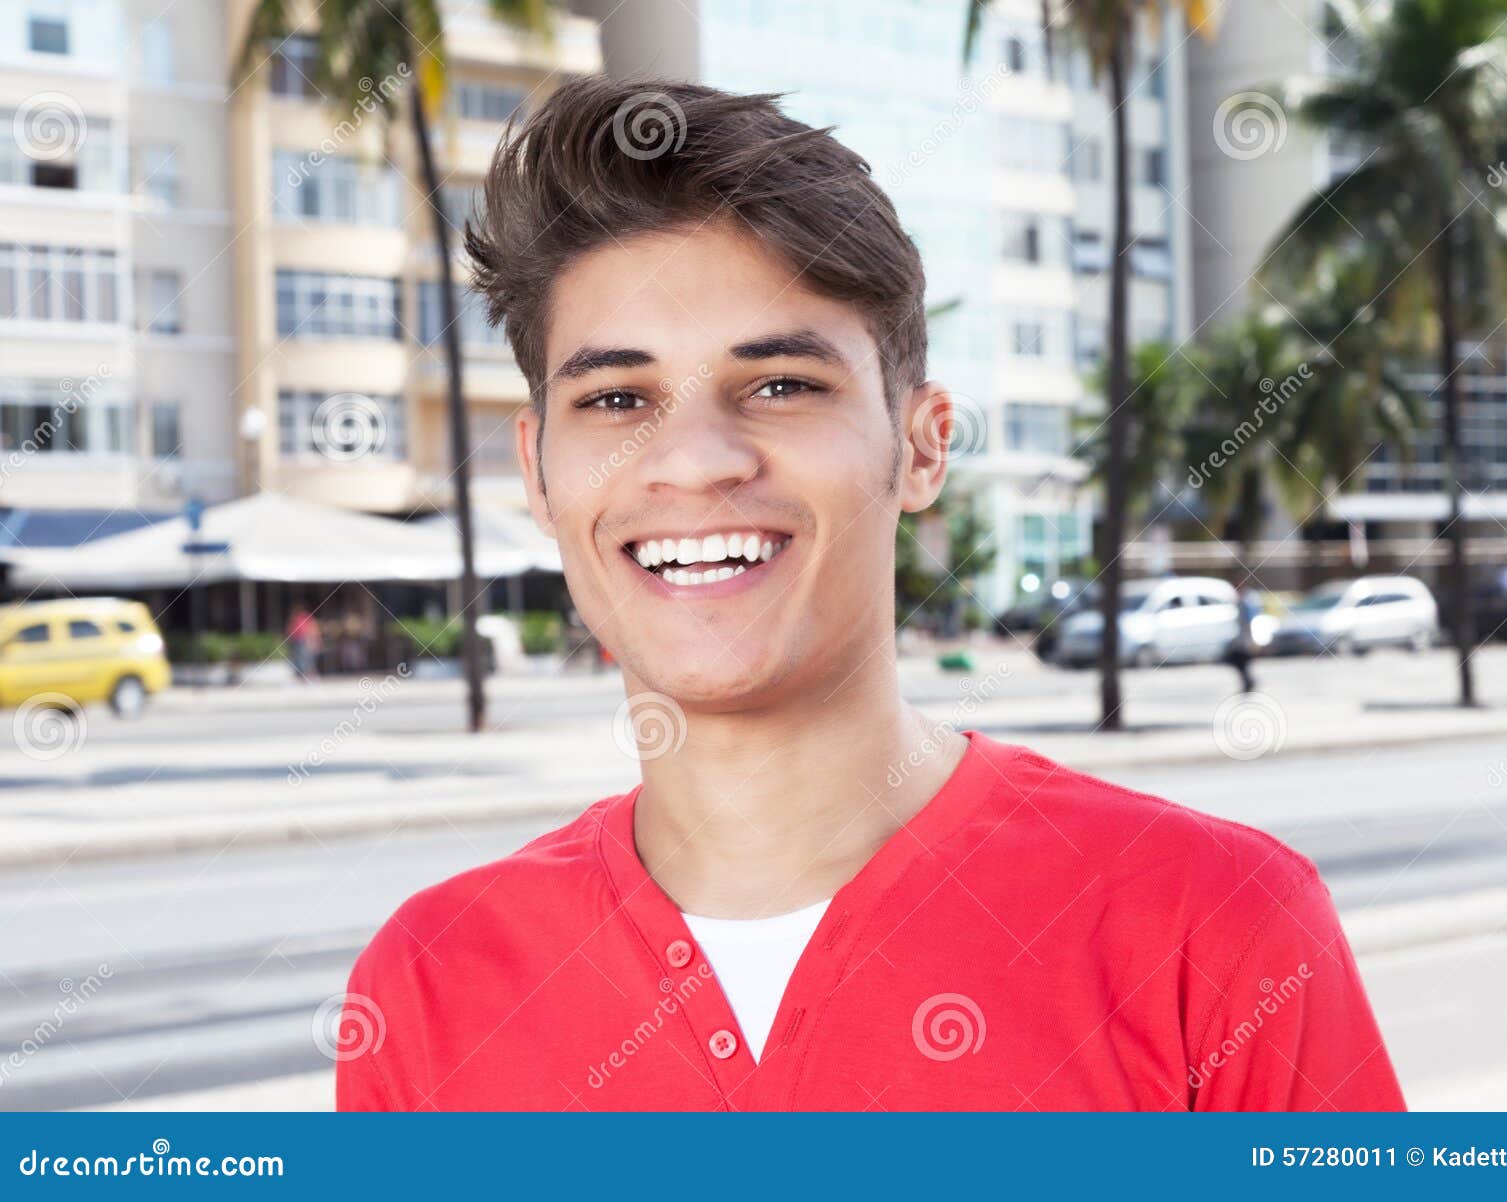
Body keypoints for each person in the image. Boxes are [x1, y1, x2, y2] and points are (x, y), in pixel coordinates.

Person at [336, 78, 1404, 1113]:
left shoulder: (1213, 928)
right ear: (536, 471)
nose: (698, 460)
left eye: (782, 385)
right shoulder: (426, 988)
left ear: (923, 443)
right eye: (619, 398)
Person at [285, 604, 320, 681]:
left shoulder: (306, 617)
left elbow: (313, 629)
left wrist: (314, 641)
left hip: (304, 640)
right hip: (296, 641)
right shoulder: (295, 618)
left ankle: (309, 675)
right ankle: (301, 675)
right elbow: (290, 629)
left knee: (306, 658)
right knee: (297, 658)